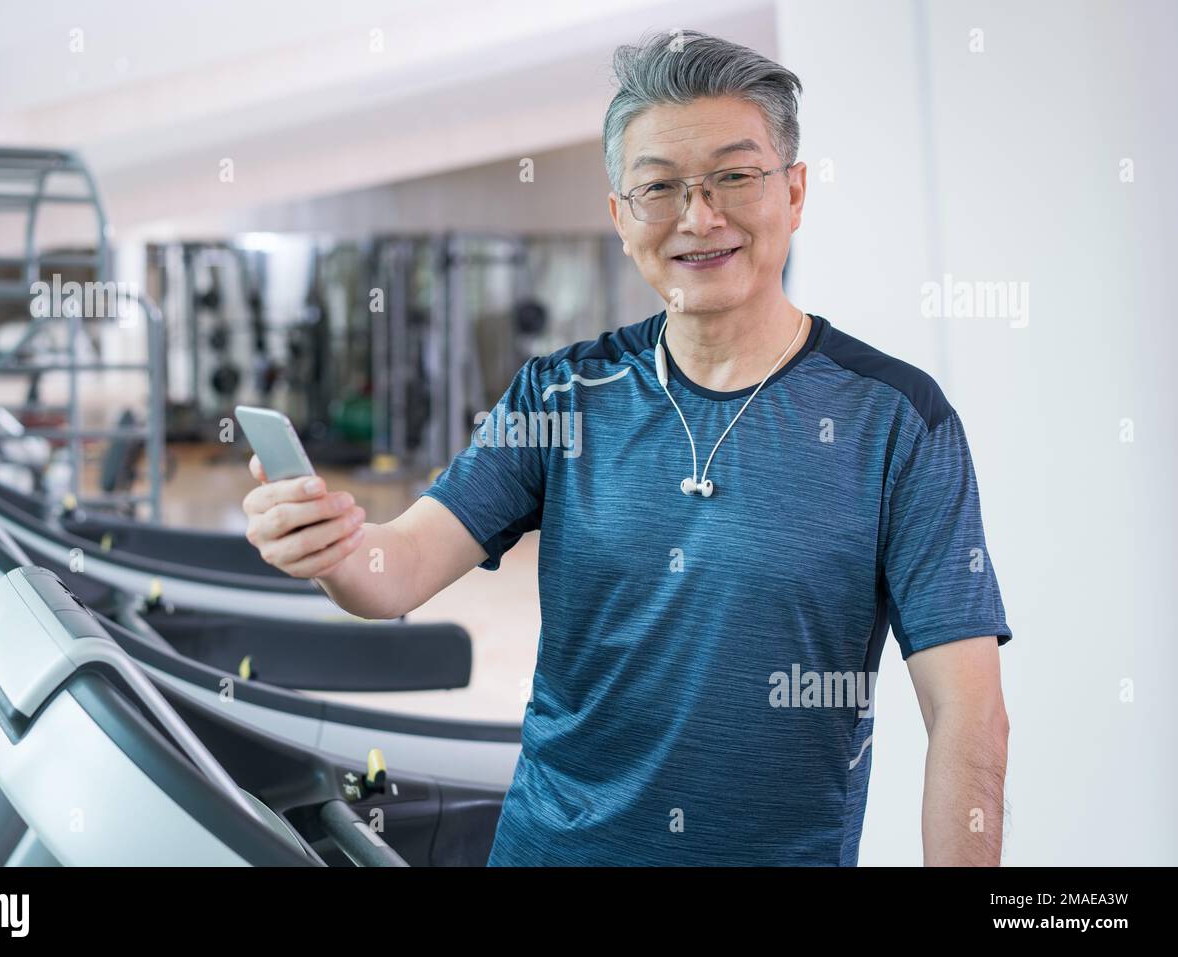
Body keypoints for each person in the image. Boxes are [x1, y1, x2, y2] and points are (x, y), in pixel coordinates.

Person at [242, 29, 1012, 866]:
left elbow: (967, 714)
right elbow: (393, 574)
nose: (699, 215)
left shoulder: (898, 420)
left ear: (793, 193)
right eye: (661, 188)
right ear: (619, 216)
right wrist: (328, 545)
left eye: (733, 176)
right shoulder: (560, 397)